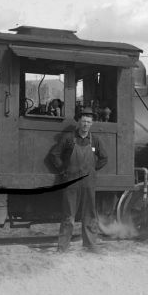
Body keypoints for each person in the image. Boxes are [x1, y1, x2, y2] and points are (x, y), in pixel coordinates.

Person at [49, 107, 108, 252]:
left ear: (92, 124)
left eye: (88, 122)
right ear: (79, 122)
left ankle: (90, 245)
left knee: (89, 214)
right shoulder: (69, 138)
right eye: (83, 121)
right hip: (71, 182)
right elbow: (54, 154)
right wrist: (63, 169)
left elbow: (104, 158)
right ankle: (63, 246)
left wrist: (93, 169)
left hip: (88, 182)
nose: (86, 124)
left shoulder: (95, 140)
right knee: (68, 215)